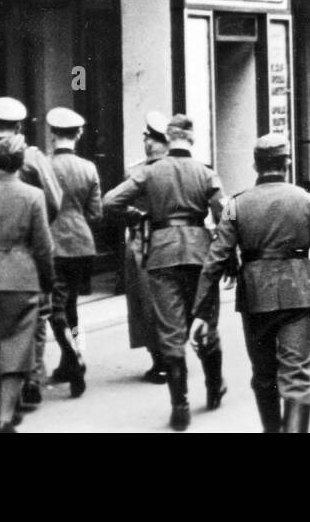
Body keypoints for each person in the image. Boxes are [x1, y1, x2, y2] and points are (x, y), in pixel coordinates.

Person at [190, 133, 310, 433]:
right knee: (297, 377)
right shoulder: (307, 201)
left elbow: (214, 260)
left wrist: (200, 312)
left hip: (255, 297)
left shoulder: (236, 204)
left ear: (255, 165)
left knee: (264, 376)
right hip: (300, 293)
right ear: (287, 163)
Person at [103, 115, 224, 431]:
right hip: (200, 254)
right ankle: (214, 387)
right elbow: (224, 215)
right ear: (191, 140)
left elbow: (109, 202)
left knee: (170, 330)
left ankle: (179, 405)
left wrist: (139, 215)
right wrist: (228, 255)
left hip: (162, 254)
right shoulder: (207, 173)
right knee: (205, 321)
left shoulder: (150, 172)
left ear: (169, 140)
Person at [0, 97, 61, 411]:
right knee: (34, 321)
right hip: (26, 257)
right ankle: (31, 377)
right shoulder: (31, 158)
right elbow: (55, 201)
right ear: (19, 126)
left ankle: (7, 396)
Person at [43, 107, 102, 398]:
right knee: (71, 307)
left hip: (54, 245)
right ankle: (69, 361)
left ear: (52, 134)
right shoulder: (89, 168)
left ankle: (75, 356)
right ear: (78, 135)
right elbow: (96, 212)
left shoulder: (43, 166)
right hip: (82, 243)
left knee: (55, 309)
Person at [121, 111, 171, 383]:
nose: (149, 144)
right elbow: (116, 202)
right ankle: (157, 355)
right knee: (141, 301)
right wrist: (129, 212)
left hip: (165, 238)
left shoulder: (179, 167)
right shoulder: (135, 170)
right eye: (147, 138)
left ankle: (167, 356)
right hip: (141, 238)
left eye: (155, 139)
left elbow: (224, 207)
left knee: (161, 302)